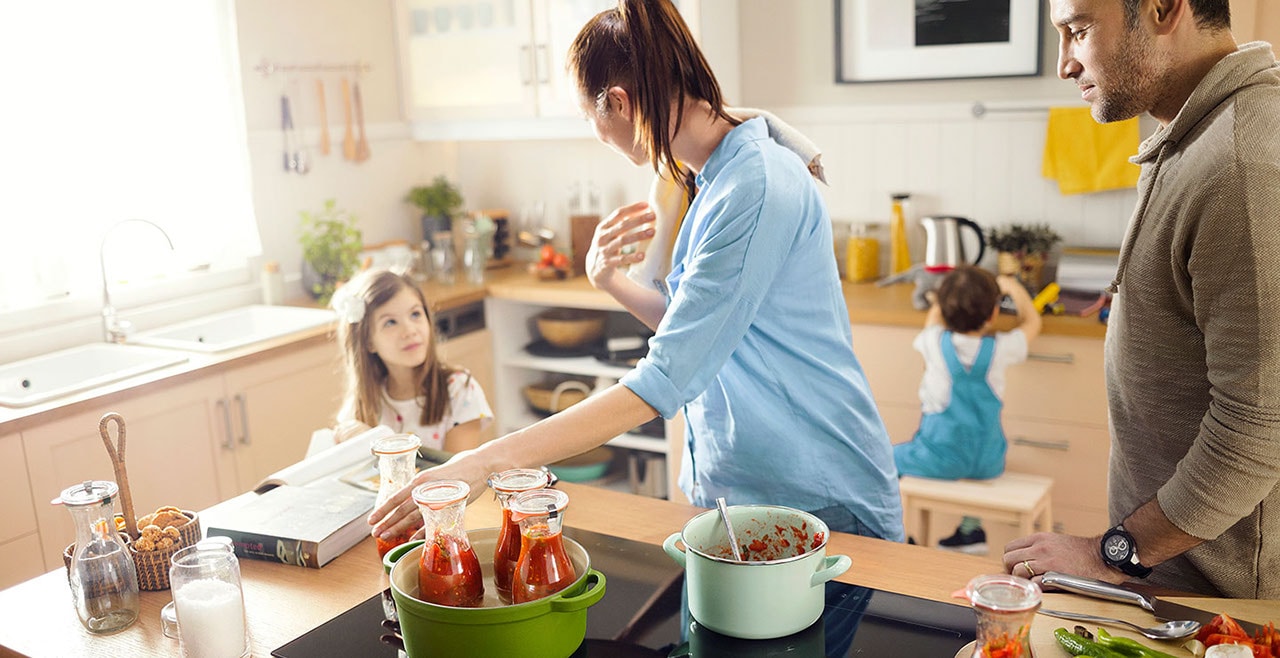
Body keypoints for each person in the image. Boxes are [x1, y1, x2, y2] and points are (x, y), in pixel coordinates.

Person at [370, 0, 904, 545]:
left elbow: (665, 377)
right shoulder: (711, 178)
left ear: (620, 103)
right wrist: (609, 280)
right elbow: (700, 328)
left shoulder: (754, 187)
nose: (595, 132)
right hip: (744, 492)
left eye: (589, 116)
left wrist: (485, 461)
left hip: (817, 495)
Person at [1003, 0, 1280, 598]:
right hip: (1175, 581)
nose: (1064, 63)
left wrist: (1115, 553)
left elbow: (1258, 429)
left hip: (1228, 608)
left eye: (1078, 31)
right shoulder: (1195, 135)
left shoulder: (1242, 163)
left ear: (1161, 8)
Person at [894, 266, 1041, 554]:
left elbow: (933, 319)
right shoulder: (1000, 349)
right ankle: (970, 531)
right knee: (973, 463)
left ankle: (897, 533)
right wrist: (1012, 287)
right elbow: (1033, 322)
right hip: (989, 461)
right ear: (993, 314)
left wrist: (942, 297)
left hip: (937, 458)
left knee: (883, 460)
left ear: (943, 307)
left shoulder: (934, 342)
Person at [329, 268, 493, 453]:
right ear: (368, 342)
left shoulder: (460, 390)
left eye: (415, 314)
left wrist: (376, 443)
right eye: (390, 322)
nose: (410, 330)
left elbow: (456, 469)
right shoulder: (365, 402)